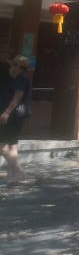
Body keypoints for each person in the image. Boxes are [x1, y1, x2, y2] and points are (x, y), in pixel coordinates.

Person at [0, 56, 32, 185]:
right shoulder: (13, 77)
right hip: (13, 115)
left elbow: (17, 98)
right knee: (12, 145)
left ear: (20, 67)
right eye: (12, 64)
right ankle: (13, 175)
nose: (11, 66)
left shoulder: (21, 79)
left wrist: (6, 113)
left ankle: (18, 171)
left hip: (13, 116)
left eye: (14, 64)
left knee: (2, 146)